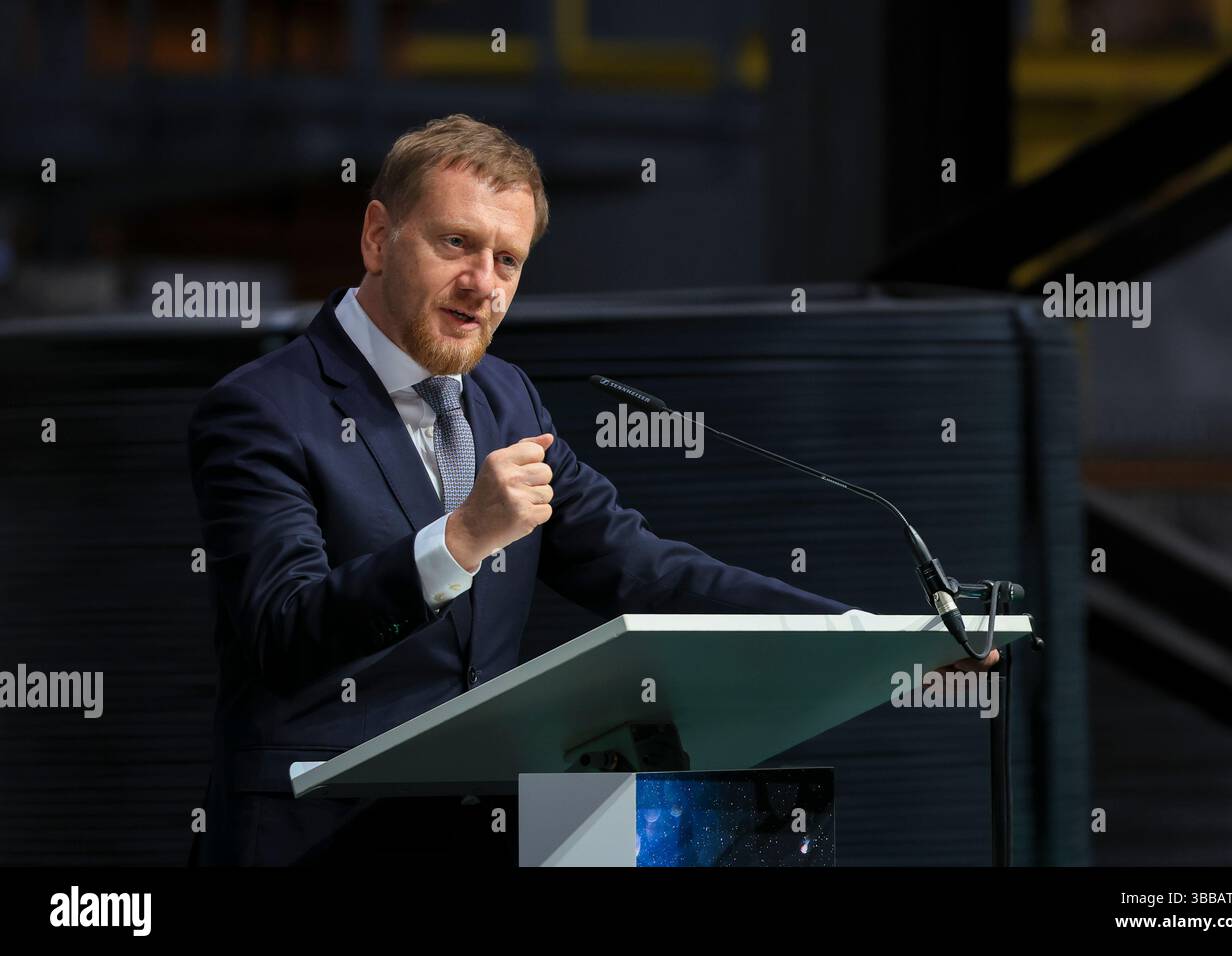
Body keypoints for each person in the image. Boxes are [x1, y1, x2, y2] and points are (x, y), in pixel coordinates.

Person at [186, 113, 996, 866]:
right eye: (456, 244)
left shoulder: (506, 399)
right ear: (376, 236)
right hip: (315, 843)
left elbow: (643, 569)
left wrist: (865, 642)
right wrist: (461, 539)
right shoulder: (261, 408)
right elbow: (283, 629)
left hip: (484, 834)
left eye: (508, 261)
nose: (484, 284)